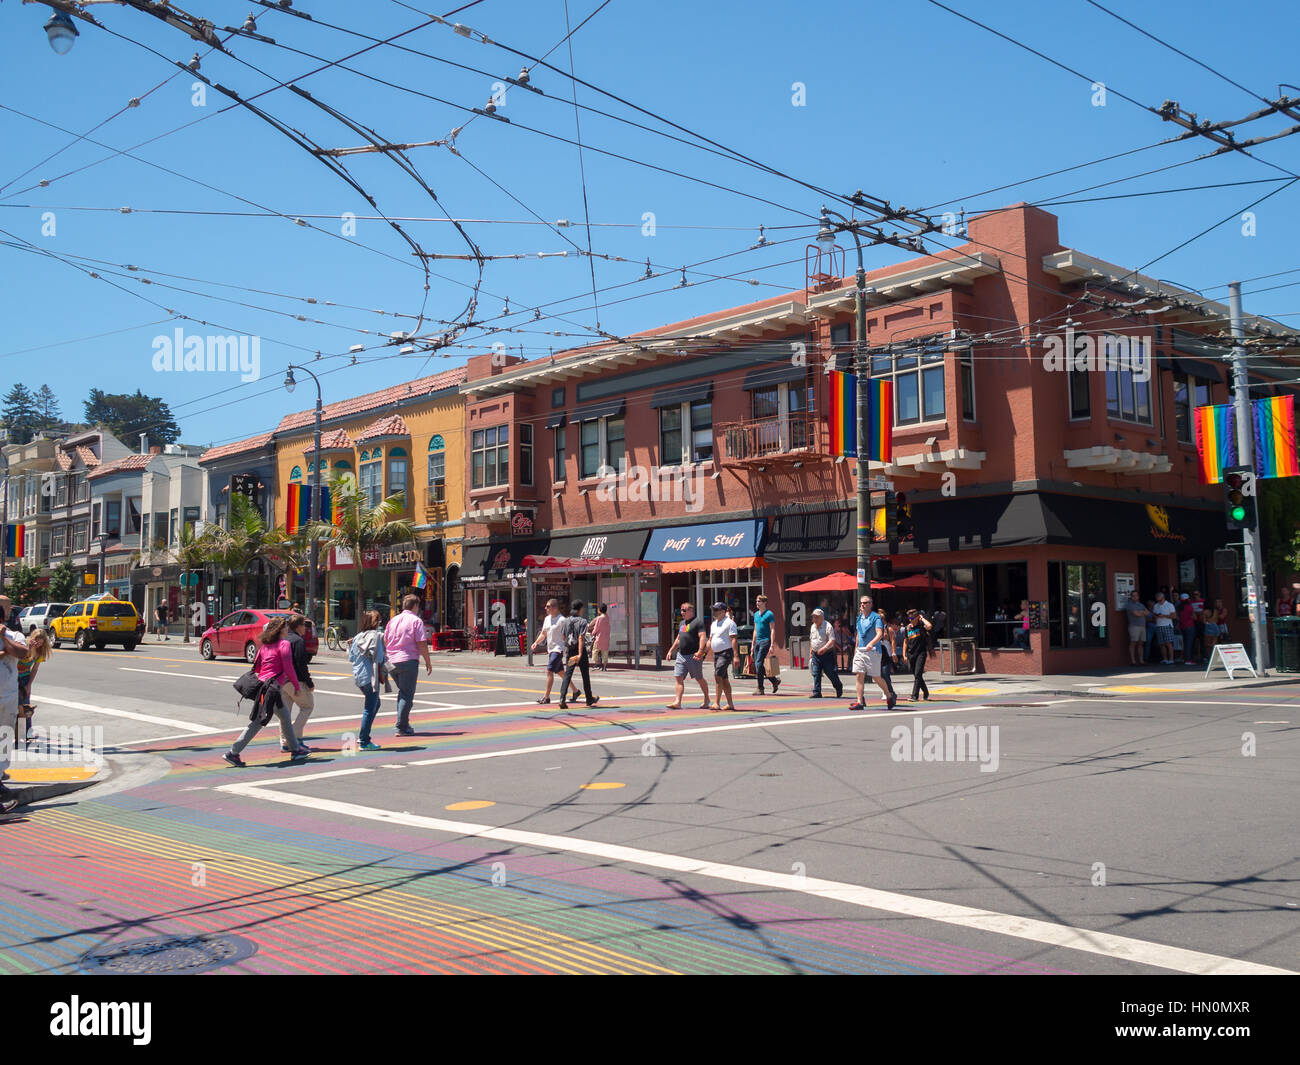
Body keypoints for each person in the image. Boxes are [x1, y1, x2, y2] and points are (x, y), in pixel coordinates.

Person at [224, 617, 308, 766]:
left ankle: (295, 750)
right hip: (272, 689)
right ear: (279, 629)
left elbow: (256, 668)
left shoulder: (265, 646)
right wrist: (296, 686)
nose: (287, 628)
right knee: (258, 722)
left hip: (265, 687)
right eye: (285, 626)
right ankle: (233, 752)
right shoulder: (284, 644)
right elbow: (289, 668)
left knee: (285, 717)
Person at [384, 594, 432, 736]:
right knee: (406, 694)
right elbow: (421, 643)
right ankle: (401, 727)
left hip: (391, 661)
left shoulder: (393, 620)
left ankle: (404, 723)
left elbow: (385, 640)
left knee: (403, 692)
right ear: (415, 606)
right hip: (408, 660)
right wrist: (428, 662)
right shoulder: (416, 621)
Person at [0, 604, 29, 815]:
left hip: (7, 699)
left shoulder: (14, 635)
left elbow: (22, 652)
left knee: (3, 742)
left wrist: (4, 640)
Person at [850, 595, 896, 712]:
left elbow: (879, 633)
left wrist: (871, 643)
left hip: (874, 651)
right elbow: (858, 634)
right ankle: (860, 701)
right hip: (861, 651)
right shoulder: (859, 618)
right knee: (859, 674)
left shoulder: (876, 618)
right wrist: (856, 647)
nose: (862, 605)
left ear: (871, 604)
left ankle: (889, 696)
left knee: (876, 677)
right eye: (861, 603)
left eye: (865, 603)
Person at [349, 610, 387, 751]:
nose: (380, 623)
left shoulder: (357, 637)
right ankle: (364, 740)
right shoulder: (377, 637)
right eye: (378, 621)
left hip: (359, 675)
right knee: (369, 708)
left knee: (375, 704)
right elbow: (380, 659)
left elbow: (351, 658)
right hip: (371, 676)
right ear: (375, 623)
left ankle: (364, 737)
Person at [278, 615, 317, 753]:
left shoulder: (284, 639)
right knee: (307, 706)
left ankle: (286, 742)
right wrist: (309, 682)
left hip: (281, 681)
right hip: (295, 681)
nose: (306, 628)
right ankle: (293, 738)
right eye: (304, 625)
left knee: (285, 714)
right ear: (298, 626)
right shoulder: (298, 641)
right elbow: (301, 665)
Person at [665, 602, 709, 710]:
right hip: (681, 655)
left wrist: (700, 651)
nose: (682, 612)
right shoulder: (682, 623)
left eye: (684, 610)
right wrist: (671, 651)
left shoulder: (697, 622)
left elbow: (702, 637)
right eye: (681, 610)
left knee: (699, 678)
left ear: (691, 611)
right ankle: (677, 702)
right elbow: (679, 638)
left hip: (693, 656)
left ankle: (707, 699)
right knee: (678, 677)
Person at [558, 600, 598, 710]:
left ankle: (562, 698)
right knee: (585, 674)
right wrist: (580, 653)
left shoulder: (566, 621)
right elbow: (581, 637)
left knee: (568, 674)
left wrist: (567, 647)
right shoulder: (582, 621)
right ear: (580, 609)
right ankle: (589, 698)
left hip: (570, 651)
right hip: (580, 652)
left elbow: (563, 637)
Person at [16, 627, 52, 743]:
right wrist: (29, 648)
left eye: (41, 643)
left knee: (26, 706)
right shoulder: (23, 644)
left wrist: (29, 685)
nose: (38, 645)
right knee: (12, 705)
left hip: (25, 678)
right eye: (36, 642)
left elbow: (35, 669)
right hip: (13, 677)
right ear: (32, 638)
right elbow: (15, 660)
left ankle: (27, 732)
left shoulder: (40, 652)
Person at [531, 598, 566, 703]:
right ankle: (575, 690)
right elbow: (543, 634)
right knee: (561, 672)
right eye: (546, 606)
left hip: (558, 649)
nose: (545, 608)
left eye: (548, 606)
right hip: (550, 649)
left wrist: (565, 647)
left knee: (549, 671)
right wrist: (536, 643)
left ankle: (546, 697)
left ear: (554, 608)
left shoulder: (562, 620)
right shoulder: (547, 619)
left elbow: (565, 636)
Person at [705, 602, 739, 712]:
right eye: (713, 609)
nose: (714, 612)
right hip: (717, 654)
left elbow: (733, 639)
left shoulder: (729, 623)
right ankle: (730, 704)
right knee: (724, 679)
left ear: (723, 612)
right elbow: (710, 640)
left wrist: (736, 656)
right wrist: (703, 653)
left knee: (717, 675)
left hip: (726, 653)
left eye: (716, 610)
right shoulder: (713, 624)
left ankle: (716, 703)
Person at [808, 608, 842, 698]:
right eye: (813, 617)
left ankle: (838, 686)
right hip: (816, 654)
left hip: (827, 654)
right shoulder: (812, 626)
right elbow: (811, 640)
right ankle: (817, 692)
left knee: (830, 672)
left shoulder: (828, 626)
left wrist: (824, 648)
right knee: (816, 672)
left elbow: (832, 640)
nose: (814, 619)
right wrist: (810, 651)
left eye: (816, 617)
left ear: (822, 617)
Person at [751, 594, 779, 695]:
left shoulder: (769, 614)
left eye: (759, 601)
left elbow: (772, 630)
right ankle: (774, 680)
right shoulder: (756, 614)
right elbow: (755, 630)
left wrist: (772, 645)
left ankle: (760, 688)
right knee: (759, 665)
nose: (757, 603)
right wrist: (752, 644)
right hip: (757, 642)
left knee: (758, 664)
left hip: (765, 641)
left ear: (764, 603)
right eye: (756, 601)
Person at [904, 609, 933, 701]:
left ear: (917, 617)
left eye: (912, 617)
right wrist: (904, 655)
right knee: (917, 675)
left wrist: (922, 619)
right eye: (909, 618)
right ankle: (926, 692)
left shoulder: (921, 627)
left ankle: (914, 696)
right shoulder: (907, 628)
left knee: (918, 674)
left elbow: (929, 626)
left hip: (921, 653)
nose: (910, 620)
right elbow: (905, 641)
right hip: (910, 654)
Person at [1123, 591, 1148, 666]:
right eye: (1133, 596)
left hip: (1142, 626)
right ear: (1131, 597)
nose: (1135, 597)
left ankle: (1141, 661)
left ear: (1138, 596)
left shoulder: (1141, 604)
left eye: (1136, 595)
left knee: (1141, 644)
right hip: (1134, 626)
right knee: (1133, 643)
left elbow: (1148, 613)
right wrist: (1142, 612)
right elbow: (1136, 614)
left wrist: (1141, 612)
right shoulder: (1129, 605)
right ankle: (1133, 661)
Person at [1151, 591, 1176, 665]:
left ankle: (1171, 659)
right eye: (1157, 599)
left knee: (1169, 643)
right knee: (1161, 644)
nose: (1158, 600)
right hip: (1159, 626)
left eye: (1160, 599)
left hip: (1167, 625)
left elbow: (1174, 616)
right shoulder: (1156, 605)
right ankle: (1165, 659)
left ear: (1163, 598)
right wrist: (1156, 616)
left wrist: (1164, 616)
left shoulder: (1169, 605)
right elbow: (1154, 615)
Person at [589, 603, 611, 672]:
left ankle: (597, 664)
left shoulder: (599, 618)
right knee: (605, 653)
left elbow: (596, 628)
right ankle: (604, 667)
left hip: (599, 638)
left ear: (599, 610)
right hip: (606, 638)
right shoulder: (607, 617)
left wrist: (592, 634)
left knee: (595, 651)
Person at [1177, 593, 1196, 665]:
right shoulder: (1190, 606)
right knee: (1189, 644)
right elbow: (1194, 617)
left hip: (1182, 626)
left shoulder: (1179, 607)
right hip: (1190, 626)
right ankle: (1188, 660)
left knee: (1185, 643)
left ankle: (1186, 659)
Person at [1190, 589, 1206, 662]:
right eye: (1194, 594)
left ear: (1199, 594)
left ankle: (1204, 656)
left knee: (1202, 640)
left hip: (1202, 622)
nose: (1195, 596)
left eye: (1196, 594)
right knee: (1193, 640)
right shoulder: (1191, 602)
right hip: (1194, 623)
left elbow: (1205, 611)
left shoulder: (1203, 601)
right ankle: (1193, 656)